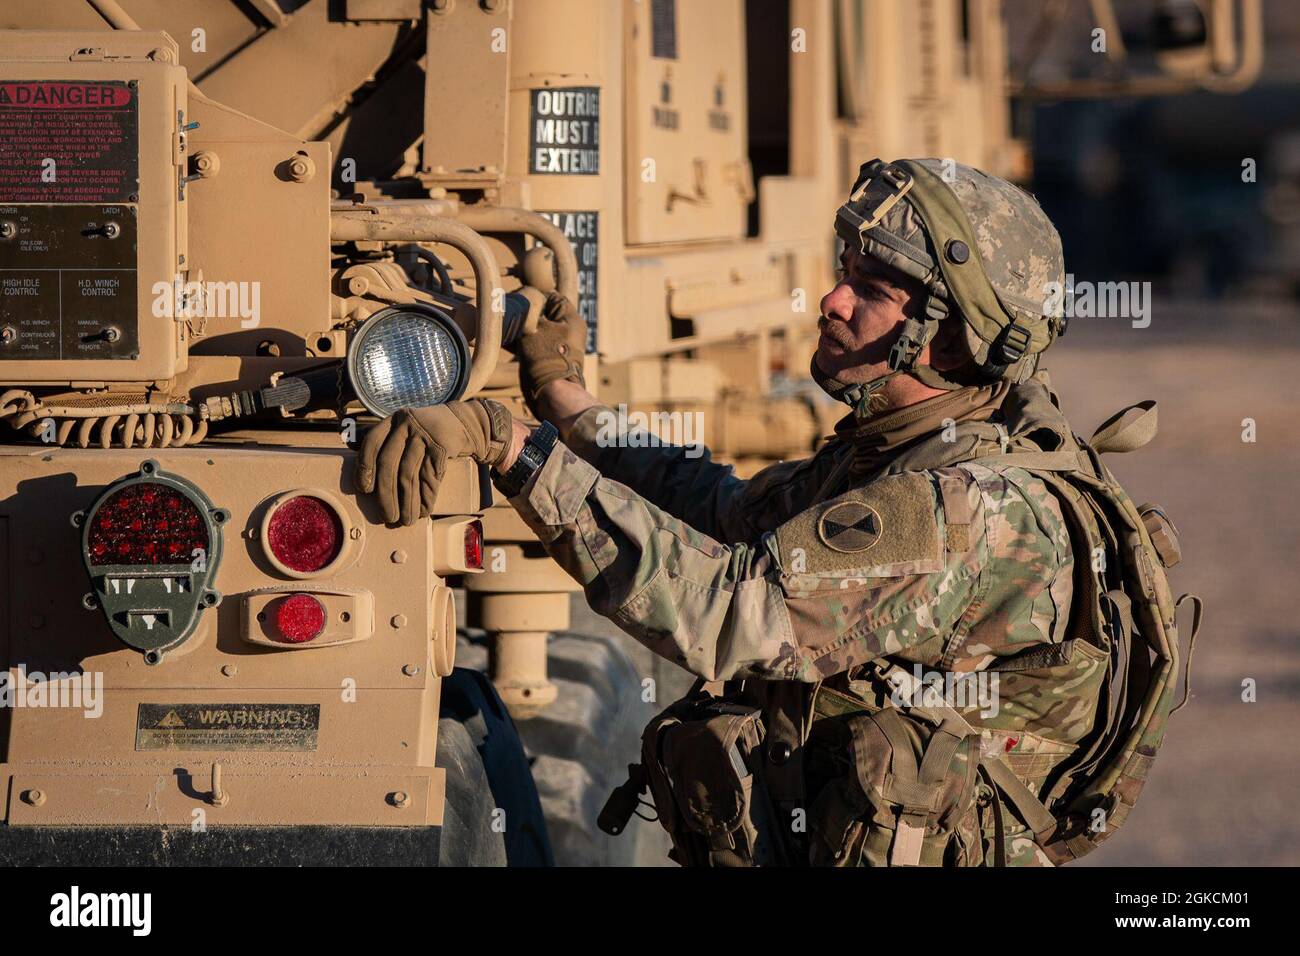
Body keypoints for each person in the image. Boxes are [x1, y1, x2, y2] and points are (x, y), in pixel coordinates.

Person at [356, 159, 1170, 867]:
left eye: (870, 290)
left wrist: (516, 451)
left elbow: (728, 612)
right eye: (842, 268)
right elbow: (724, 513)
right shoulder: (905, 449)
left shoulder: (965, 510)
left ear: (947, 343)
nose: (830, 299)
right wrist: (563, 401)